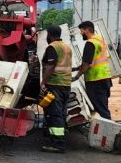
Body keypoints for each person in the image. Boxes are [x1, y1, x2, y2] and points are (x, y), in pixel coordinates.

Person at [40, 25, 72, 153]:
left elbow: (51, 65)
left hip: (55, 84)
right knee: (61, 113)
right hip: (65, 84)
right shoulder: (66, 47)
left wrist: (43, 82)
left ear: (50, 34)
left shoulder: (52, 47)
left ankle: (58, 144)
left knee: (55, 114)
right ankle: (57, 137)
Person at [73, 20, 113, 119]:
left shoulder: (90, 43)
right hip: (105, 78)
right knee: (103, 105)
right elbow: (96, 59)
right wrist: (77, 68)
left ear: (86, 30)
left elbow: (87, 63)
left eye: (81, 31)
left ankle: (107, 129)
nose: (81, 33)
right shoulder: (99, 39)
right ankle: (106, 125)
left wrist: (76, 76)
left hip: (95, 80)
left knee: (100, 108)